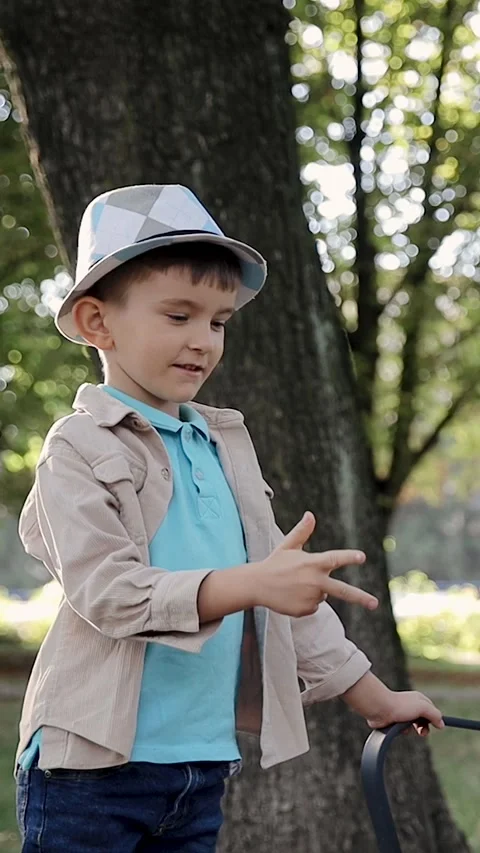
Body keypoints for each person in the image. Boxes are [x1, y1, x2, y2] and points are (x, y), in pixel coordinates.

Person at [15, 184, 443, 852]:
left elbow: (286, 601)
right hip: (89, 769)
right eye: (179, 314)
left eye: (217, 322)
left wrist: (376, 698)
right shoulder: (80, 448)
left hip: (200, 765)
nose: (203, 341)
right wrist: (250, 583)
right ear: (99, 324)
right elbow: (110, 593)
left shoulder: (219, 447)